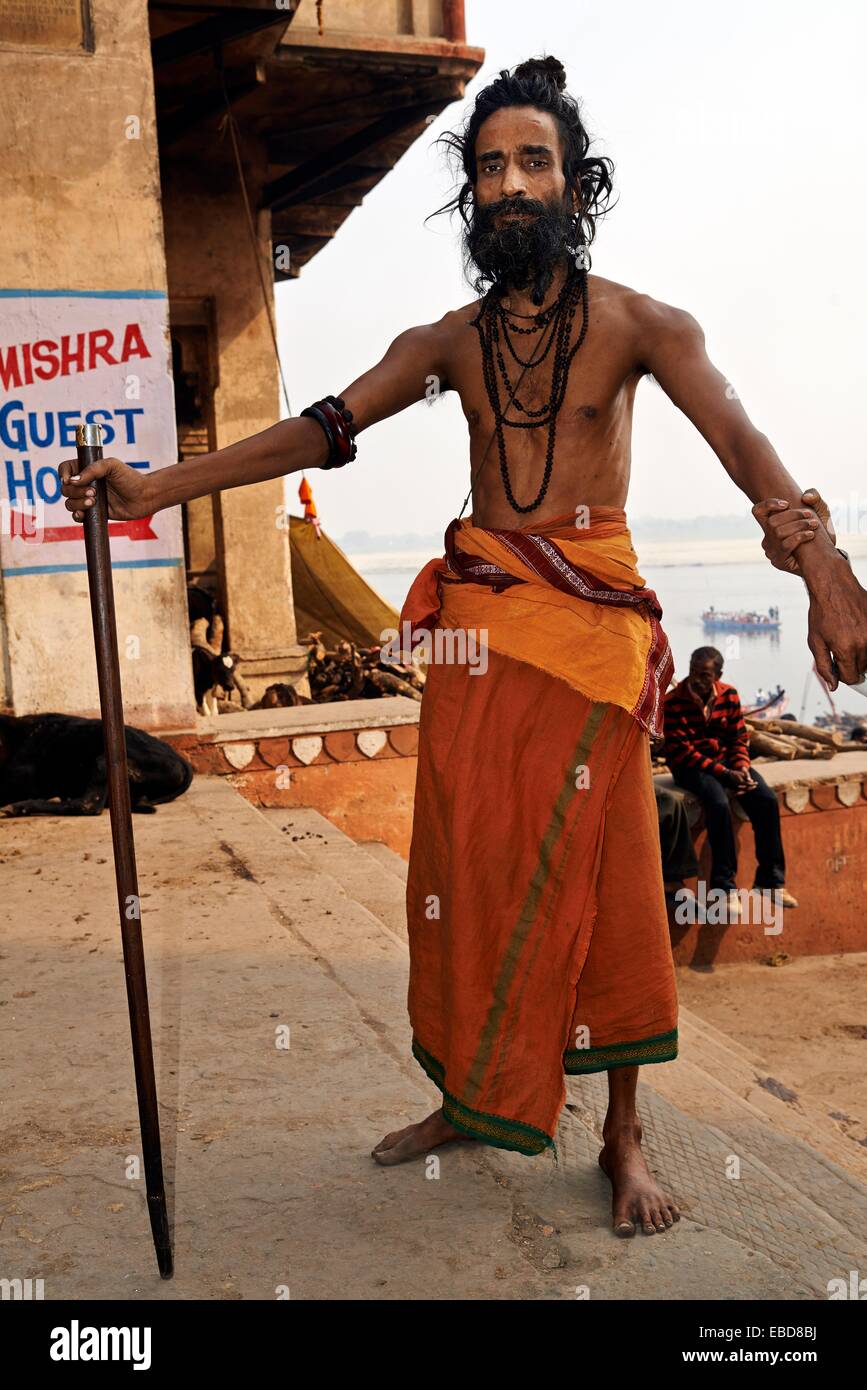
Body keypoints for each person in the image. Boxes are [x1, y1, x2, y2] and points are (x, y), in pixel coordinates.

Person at [59, 56, 867, 1237]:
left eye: (532, 162)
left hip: (592, 641)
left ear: (575, 187)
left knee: (611, 882)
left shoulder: (646, 325)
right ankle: (465, 1095)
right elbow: (322, 425)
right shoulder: (444, 342)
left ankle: (623, 1133)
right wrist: (155, 486)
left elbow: (737, 433)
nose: (508, 185)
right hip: (479, 641)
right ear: (471, 198)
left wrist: (823, 564)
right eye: (488, 168)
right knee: (460, 876)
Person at [662, 647, 797, 918]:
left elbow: (737, 739)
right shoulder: (673, 701)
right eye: (693, 672)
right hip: (690, 767)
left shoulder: (729, 695)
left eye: (704, 674)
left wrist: (742, 769)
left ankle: (770, 881)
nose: (697, 680)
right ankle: (724, 888)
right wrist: (724, 773)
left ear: (718, 675)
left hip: (726, 763)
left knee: (765, 799)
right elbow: (683, 750)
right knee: (717, 802)